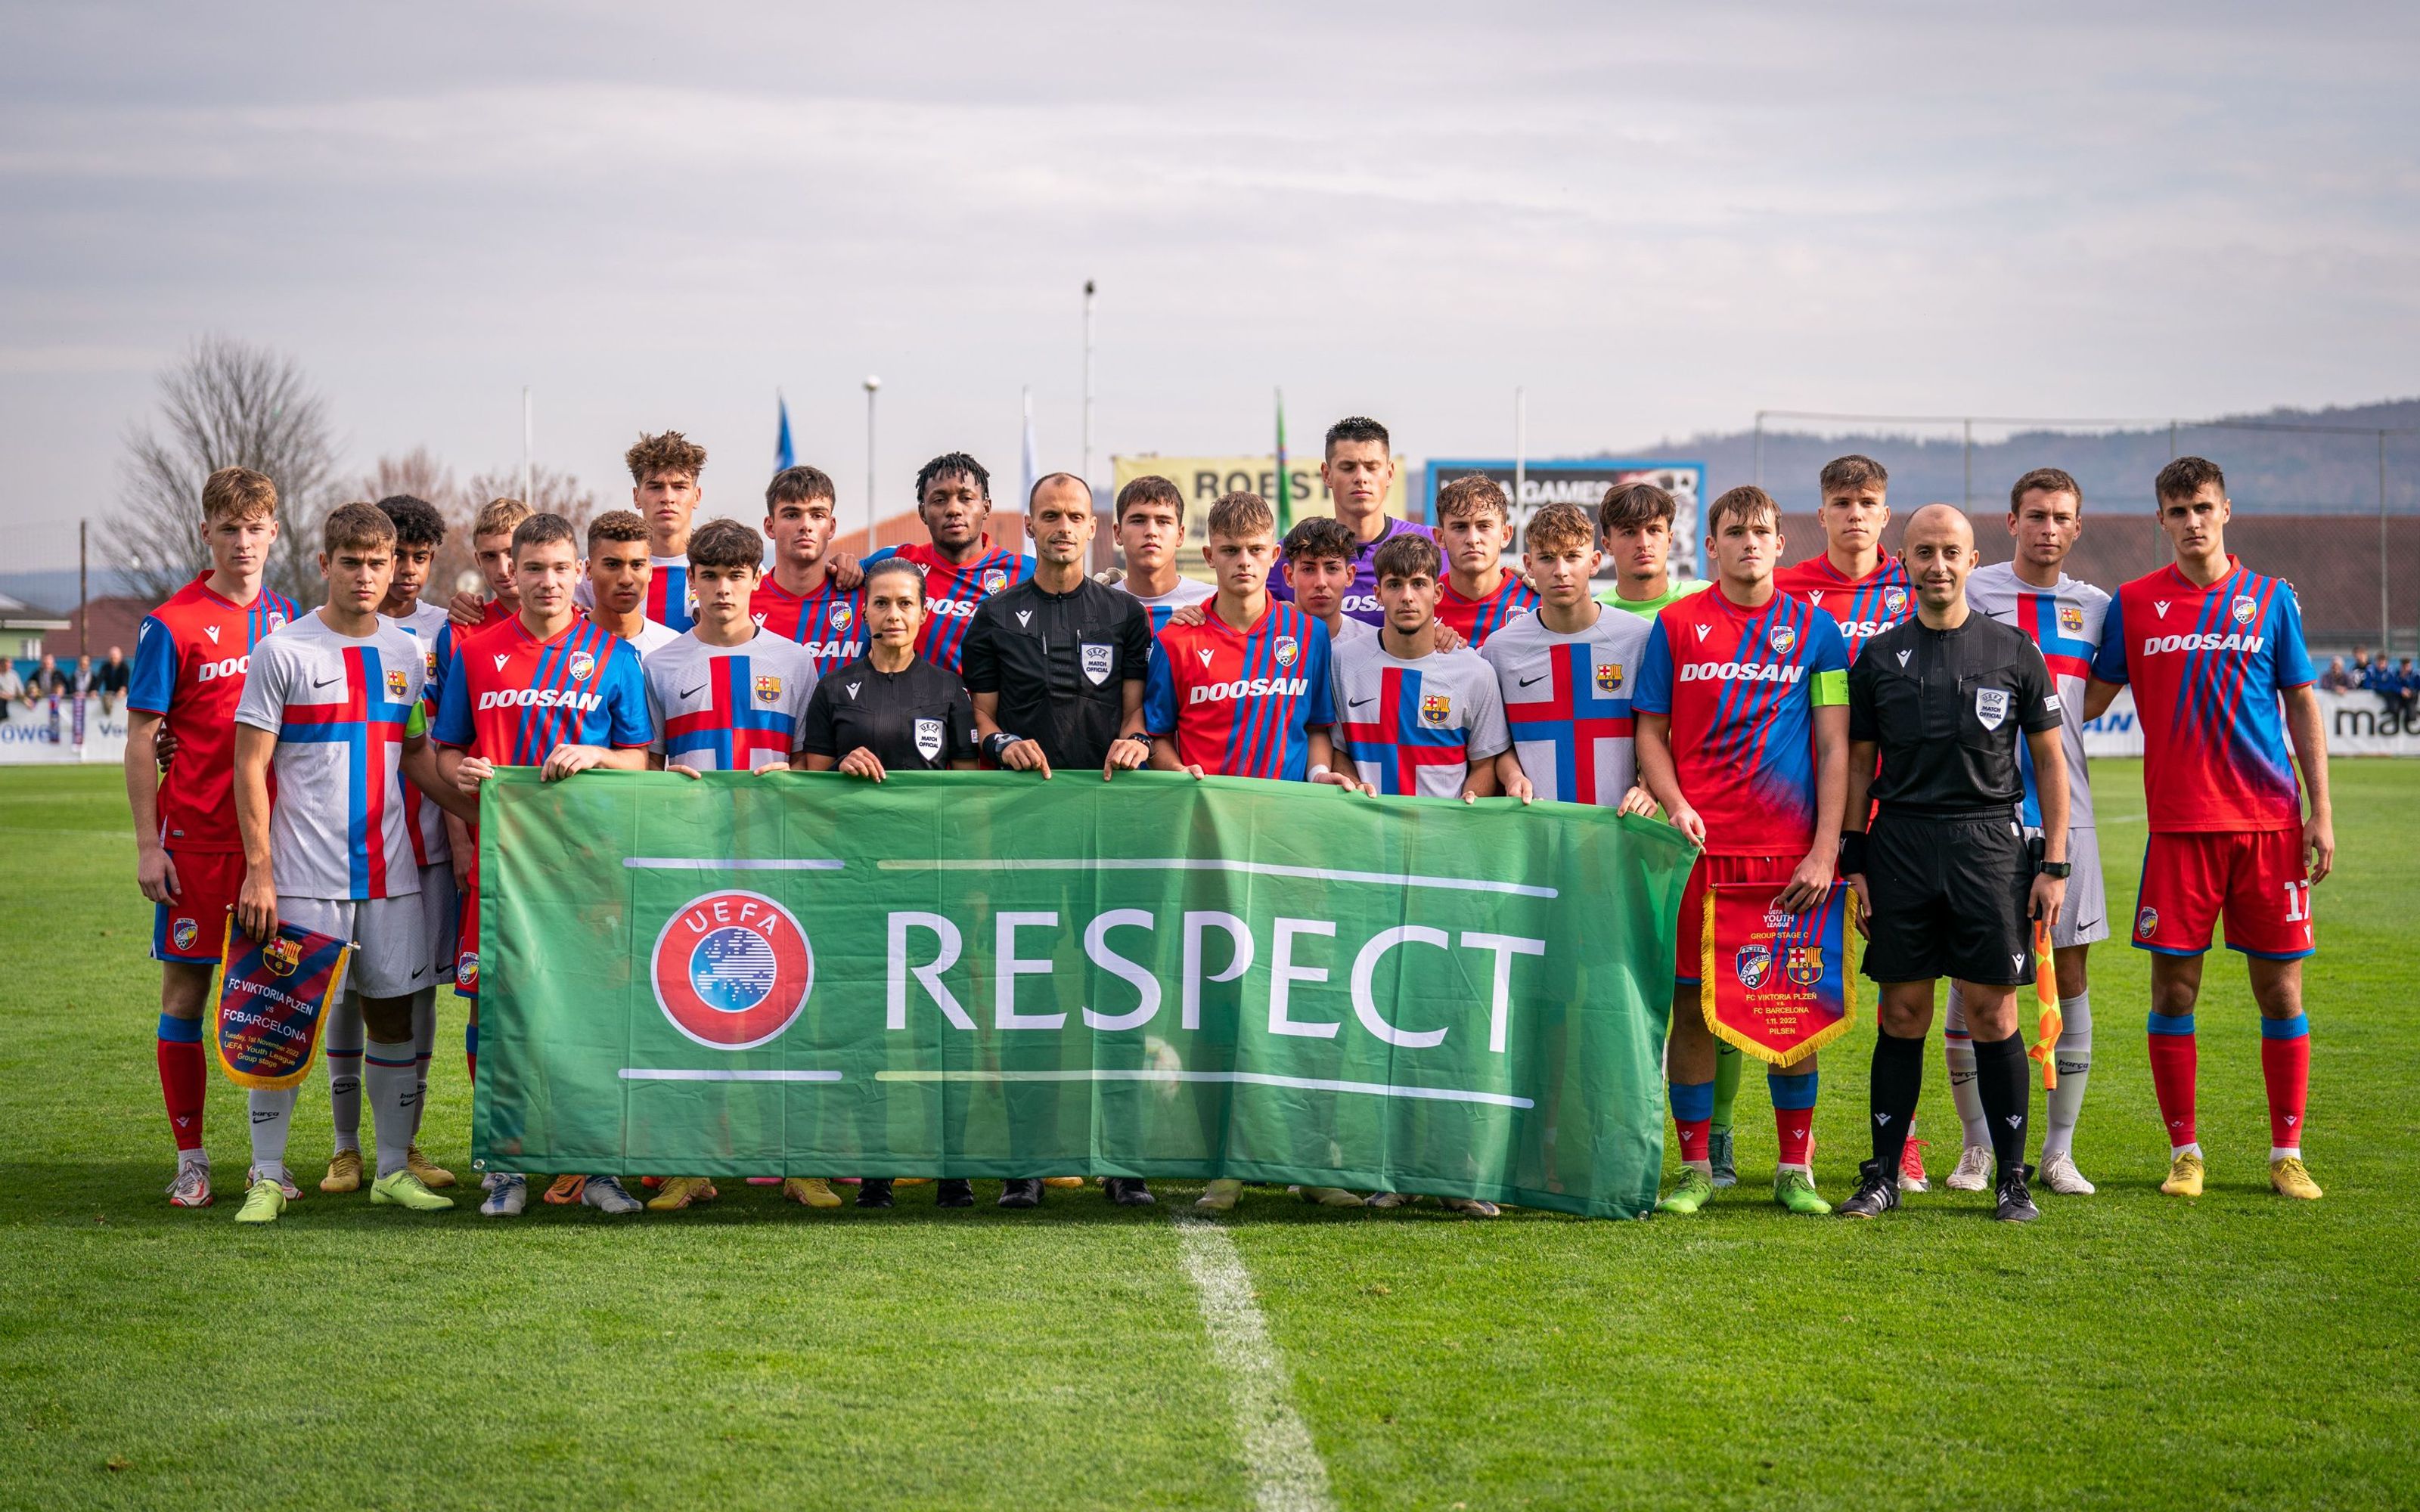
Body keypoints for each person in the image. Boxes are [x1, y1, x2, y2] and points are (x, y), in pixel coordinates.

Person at [2084, 457, 2332, 1201]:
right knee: (2172, 991)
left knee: (2280, 993)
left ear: (2225, 510)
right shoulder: (2130, 604)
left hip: (2266, 827)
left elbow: (2300, 705)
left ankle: (2285, 1152)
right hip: (2178, 830)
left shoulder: (2267, 600)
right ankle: (2184, 1152)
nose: (2190, 521)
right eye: (2176, 510)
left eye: (2201, 507)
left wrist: (2320, 809)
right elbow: (2084, 698)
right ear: (2158, 521)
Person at [228, 503, 479, 1222]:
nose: (368, 576)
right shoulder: (283, 651)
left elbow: (420, 759)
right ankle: (268, 1177)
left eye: (380, 562)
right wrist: (259, 869)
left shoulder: (406, 654)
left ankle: (393, 1168)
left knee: (394, 1020)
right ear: (324, 565)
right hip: (302, 879)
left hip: (391, 875)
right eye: (352, 562)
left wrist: (488, 819)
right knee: (280, 1022)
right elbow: (250, 768)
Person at [1835, 505, 2069, 1224]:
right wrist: (1855, 856)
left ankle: (2012, 1179)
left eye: (1951, 552)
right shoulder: (1877, 656)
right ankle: (1880, 1175)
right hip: (1901, 843)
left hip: (1988, 849)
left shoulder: (2013, 649)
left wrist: (2053, 863)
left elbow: (2052, 763)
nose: (1937, 565)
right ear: (1902, 560)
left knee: (1995, 1012)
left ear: (1973, 560)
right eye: (1924, 552)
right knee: (1902, 1011)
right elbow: (1859, 763)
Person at [1144, 491, 1364, 1213]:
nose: (1243, 562)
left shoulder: (1309, 635)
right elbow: (1161, 738)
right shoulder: (1176, 640)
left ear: (1275, 559)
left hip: (1293, 848)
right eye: (1229, 551)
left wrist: (1321, 774)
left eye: (1256, 550)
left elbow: (1320, 731)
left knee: (1303, 1000)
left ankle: (1314, 1158)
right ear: (1206, 556)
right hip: (1211, 848)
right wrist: (1183, 780)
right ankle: (1226, 1161)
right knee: (1223, 1004)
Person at [1634, 485, 1849, 1218]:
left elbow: (1831, 743)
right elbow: (1649, 735)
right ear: (1711, 546)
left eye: (1760, 530)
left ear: (1779, 543)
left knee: (1791, 1012)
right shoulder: (1674, 626)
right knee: (1689, 1008)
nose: (1748, 541)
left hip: (1786, 857)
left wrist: (1825, 850)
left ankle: (1794, 1167)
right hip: (1697, 852)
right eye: (1734, 531)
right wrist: (1675, 803)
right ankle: (1694, 1167)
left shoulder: (1815, 631)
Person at [433, 513, 656, 1217]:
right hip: (504, 869)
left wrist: (596, 756)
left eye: (562, 568)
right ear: (514, 574)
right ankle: (506, 1164)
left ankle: (596, 1164)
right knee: (493, 1016)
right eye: (535, 568)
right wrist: (462, 773)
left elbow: (640, 761)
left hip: (588, 872)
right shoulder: (476, 651)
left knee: (591, 1015)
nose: (548, 581)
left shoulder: (613, 654)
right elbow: (444, 752)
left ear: (580, 571)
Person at [961, 472, 1160, 1210]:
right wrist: (1003, 739)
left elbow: (1137, 715)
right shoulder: (995, 614)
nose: (1063, 526)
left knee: (1120, 995)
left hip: (1111, 833)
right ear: (1031, 527)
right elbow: (978, 719)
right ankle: (1026, 1164)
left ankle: (1123, 1162)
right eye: (1050, 515)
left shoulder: (1123, 614)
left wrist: (1134, 742)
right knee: (1029, 997)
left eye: (1076, 515)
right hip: (1028, 835)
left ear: (1093, 527)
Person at [123, 466, 300, 1209]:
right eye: (228, 527)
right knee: (186, 992)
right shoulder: (172, 623)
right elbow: (141, 740)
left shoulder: (292, 620)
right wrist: (146, 842)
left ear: (274, 532)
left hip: (277, 845)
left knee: (272, 998)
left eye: (255, 527)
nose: (243, 541)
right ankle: (191, 1158)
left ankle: (270, 1161)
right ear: (207, 533)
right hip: (194, 840)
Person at [640, 519, 828, 1213]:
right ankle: (693, 1164)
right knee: (695, 1012)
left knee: (788, 1009)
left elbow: (811, 764)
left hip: (778, 861)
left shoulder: (798, 661)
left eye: (736, 576)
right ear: (691, 583)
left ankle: (797, 1161)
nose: (723, 589)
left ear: (757, 580)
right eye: (710, 576)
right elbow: (650, 765)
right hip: (691, 862)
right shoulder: (660, 664)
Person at [799, 556, 980, 1210]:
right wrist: (841, 765)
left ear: (923, 613)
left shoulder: (948, 690)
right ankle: (874, 1169)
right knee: (869, 1030)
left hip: (935, 884)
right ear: (864, 611)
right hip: (858, 885)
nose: (893, 615)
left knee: (941, 1031)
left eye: (905, 603)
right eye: (881, 604)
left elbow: (969, 792)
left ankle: (951, 1170)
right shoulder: (835, 690)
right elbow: (811, 790)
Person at [1770, 454, 1931, 1192]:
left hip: (1898, 817)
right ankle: (1744, 1148)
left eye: (1867, 500)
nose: (1855, 513)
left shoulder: (1915, 585)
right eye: (1842, 500)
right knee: (1768, 979)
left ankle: (1901, 1145)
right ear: (1822, 512)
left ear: (1885, 512)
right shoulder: (1790, 589)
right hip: (1799, 816)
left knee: (1899, 991)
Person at [1953, 468, 2111, 1197]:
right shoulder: (1972, 589)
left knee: (2070, 973)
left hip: (2063, 816)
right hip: (1976, 817)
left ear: (2077, 529)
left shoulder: (2099, 612)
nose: (2049, 528)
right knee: (1970, 980)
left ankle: (2058, 1150)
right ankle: (1977, 1147)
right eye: (2036, 515)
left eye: (2062, 518)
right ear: (2010, 522)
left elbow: (2089, 704)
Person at [315, 494, 459, 1198]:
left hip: (417, 844)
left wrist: (476, 815)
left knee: (410, 995)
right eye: (383, 556)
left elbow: (430, 747)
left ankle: (403, 1148)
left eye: (411, 557)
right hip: (332, 853)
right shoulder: (303, 640)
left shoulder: (436, 636)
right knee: (340, 997)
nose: (398, 571)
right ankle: (343, 1149)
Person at [1482, 500, 1657, 811]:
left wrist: (1648, 788)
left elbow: (1660, 732)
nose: (1560, 571)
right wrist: (1511, 777)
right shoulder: (1500, 648)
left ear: (1594, 562)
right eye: (1548, 558)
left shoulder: (1640, 638)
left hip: (1617, 825)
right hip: (1536, 826)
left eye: (1573, 557)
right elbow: (1495, 741)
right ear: (1529, 563)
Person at [861, 452, 1035, 674]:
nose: (954, 509)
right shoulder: (899, 563)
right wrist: (845, 565)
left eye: (966, 498)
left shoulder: (1025, 572)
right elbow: (841, 573)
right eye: (939, 499)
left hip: (987, 708)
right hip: (911, 706)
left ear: (986, 508)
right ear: (922, 512)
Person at [1267, 417, 1432, 627]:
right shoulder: (1289, 552)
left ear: (1389, 474)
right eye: (1347, 467)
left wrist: (1447, 630)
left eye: (1372, 467)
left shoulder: (1430, 545)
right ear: (1327, 475)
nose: (1361, 477)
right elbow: (1236, 613)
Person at [753, 464, 868, 673]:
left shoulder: (865, 600)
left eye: (817, 515)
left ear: (831, 527)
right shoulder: (745, 605)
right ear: (770, 527)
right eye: (792, 515)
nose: (806, 525)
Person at [1433, 474, 1539, 648]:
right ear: (1440, 537)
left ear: (1506, 535)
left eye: (1484, 526)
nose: (1473, 539)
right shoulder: (1423, 606)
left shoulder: (1539, 604)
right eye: (1460, 527)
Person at [1109, 474, 1215, 631]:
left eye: (1163, 521)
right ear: (1118, 534)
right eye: (1138, 521)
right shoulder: (1097, 605)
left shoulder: (1211, 604)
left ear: (1180, 535)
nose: (1151, 531)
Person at [1596, 481, 1708, 618]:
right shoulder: (1591, 616)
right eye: (1629, 532)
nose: (1644, 543)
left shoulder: (1707, 598)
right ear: (1607, 545)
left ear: (1670, 539)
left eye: (1654, 530)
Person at [583, 510, 681, 658]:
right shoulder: (560, 643)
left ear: (650, 572)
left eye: (637, 565)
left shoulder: (673, 649)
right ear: (589, 570)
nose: (626, 579)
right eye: (612, 565)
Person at [98, 645, 130, 717]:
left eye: (115, 656)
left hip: (122, 695)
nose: (113, 658)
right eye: (112, 656)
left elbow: (125, 680)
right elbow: (99, 679)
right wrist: (95, 690)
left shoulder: (125, 667)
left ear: (120, 657)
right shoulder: (105, 667)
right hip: (109, 694)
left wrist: (122, 690)